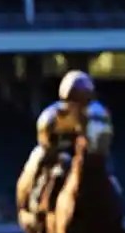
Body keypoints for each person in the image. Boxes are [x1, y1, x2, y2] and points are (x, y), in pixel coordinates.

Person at [26, 70, 118, 217]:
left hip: (89, 155)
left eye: (83, 100)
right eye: (74, 100)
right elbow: (46, 145)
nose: (78, 106)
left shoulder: (100, 116)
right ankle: (37, 198)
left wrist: (93, 153)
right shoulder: (50, 118)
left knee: (110, 181)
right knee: (51, 168)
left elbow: (104, 144)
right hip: (62, 153)